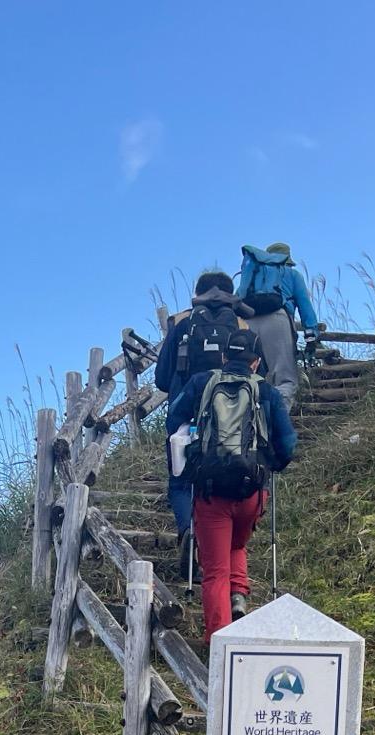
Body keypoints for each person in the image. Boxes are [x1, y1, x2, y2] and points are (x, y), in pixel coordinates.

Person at [167, 330, 296, 641]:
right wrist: (271, 465)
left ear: (224, 357)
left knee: (214, 573)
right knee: (237, 545)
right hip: (251, 489)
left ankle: (219, 641)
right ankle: (238, 595)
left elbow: (174, 419)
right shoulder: (267, 391)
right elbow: (288, 444)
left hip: (211, 490)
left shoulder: (202, 382)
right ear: (256, 362)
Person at [153, 271, 260, 578]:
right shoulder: (241, 325)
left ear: (197, 293)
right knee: (217, 476)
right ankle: (217, 543)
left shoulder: (182, 323)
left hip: (184, 411)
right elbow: (258, 375)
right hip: (230, 418)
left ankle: (188, 531)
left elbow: (161, 379)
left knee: (181, 479)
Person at [236, 242, 320, 406]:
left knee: (251, 376)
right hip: (277, 321)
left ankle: (251, 420)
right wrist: (312, 333)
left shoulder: (253, 274)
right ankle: (280, 423)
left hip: (248, 322)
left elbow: (238, 298)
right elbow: (305, 307)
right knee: (285, 379)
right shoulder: (292, 274)